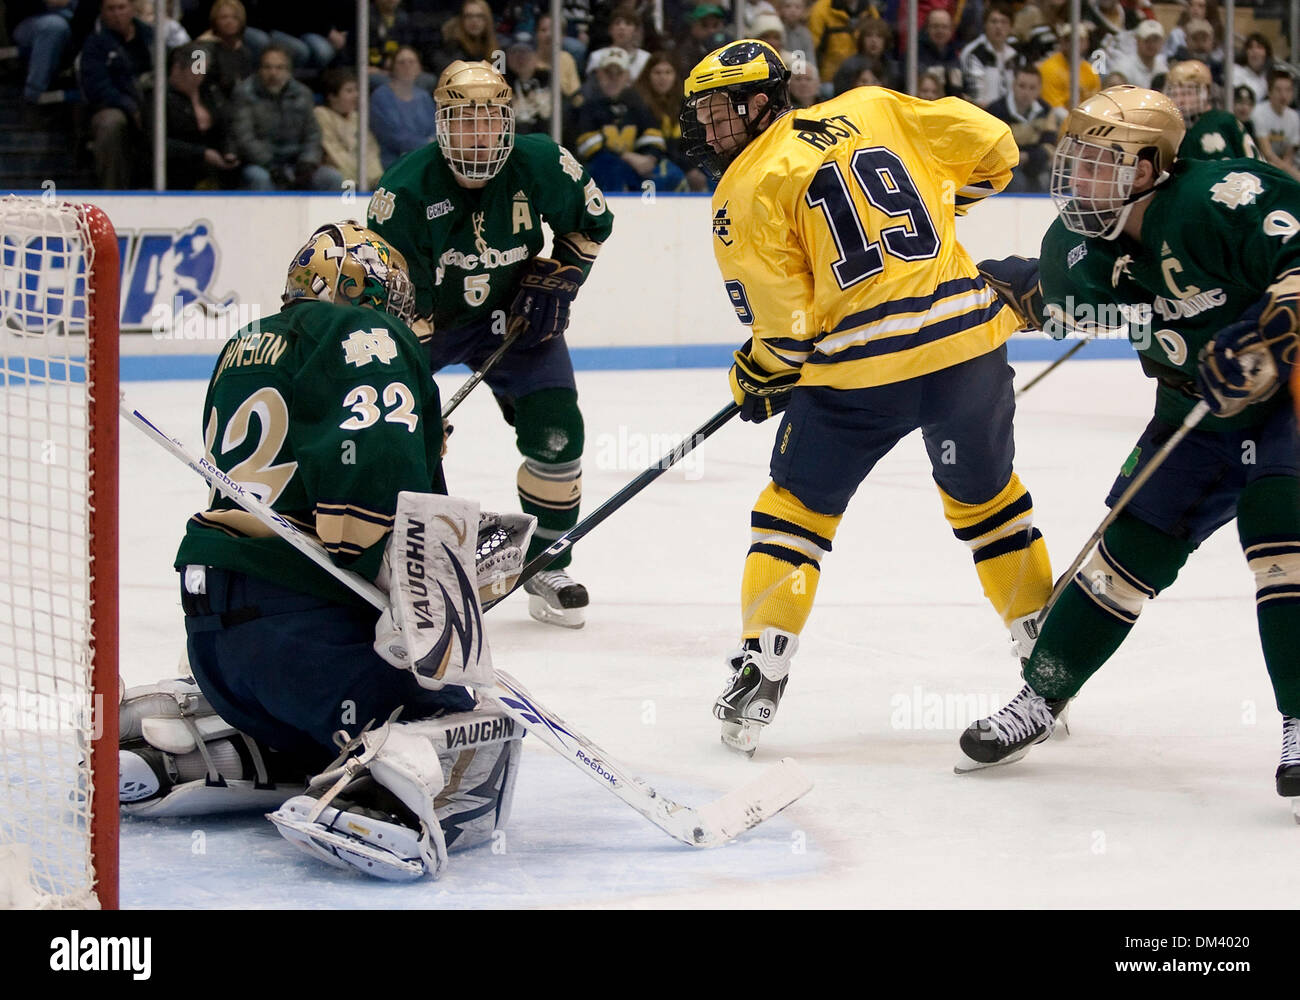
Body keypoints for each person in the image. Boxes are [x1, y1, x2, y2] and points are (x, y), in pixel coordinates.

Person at [118, 222, 531, 880]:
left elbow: (296, 471)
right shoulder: (370, 336)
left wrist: (414, 438)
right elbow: (355, 528)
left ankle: (188, 745)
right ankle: (376, 797)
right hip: (306, 646)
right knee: (467, 711)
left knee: (310, 709)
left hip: (217, 646)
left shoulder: (247, 343)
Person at [679, 40, 1054, 756]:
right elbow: (997, 150)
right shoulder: (875, 104)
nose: (707, 127)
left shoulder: (743, 190)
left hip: (859, 375)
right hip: (965, 344)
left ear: (762, 101)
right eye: (701, 113)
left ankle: (763, 670)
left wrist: (755, 376)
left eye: (718, 111)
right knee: (989, 503)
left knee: (794, 513)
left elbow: (786, 336)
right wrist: (937, 213)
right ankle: (1045, 658)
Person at [960, 86, 1300, 807]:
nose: (1078, 179)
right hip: (1194, 411)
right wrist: (969, 296)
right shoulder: (1077, 249)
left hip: (1291, 403)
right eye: (1075, 161)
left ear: (1149, 169)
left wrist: (1274, 336)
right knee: (1121, 562)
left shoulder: (1218, 199)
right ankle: (1040, 698)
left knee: (1281, 541)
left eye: (1099, 164)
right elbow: (1051, 302)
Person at [366, 61, 615, 628]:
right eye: (463, 123)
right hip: (425, 323)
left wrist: (563, 277)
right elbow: (399, 309)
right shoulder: (404, 192)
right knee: (406, 439)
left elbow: (588, 226)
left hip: (514, 316)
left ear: (507, 123)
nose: (478, 137)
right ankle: (420, 564)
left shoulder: (541, 162)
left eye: (489, 122)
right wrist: (419, 406)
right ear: (441, 127)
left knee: (558, 433)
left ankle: (548, 561)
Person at [231, 44, 340, 191]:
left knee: (331, 178)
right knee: (259, 178)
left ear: (289, 71)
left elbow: (313, 134)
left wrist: (307, 163)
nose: (273, 73)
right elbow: (244, 138)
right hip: (260, 165)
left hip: (295, 163)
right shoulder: (245, 93)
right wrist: (271, 166)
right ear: (259, 70)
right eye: (267, 67)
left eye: (279, 68)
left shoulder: (302, 94)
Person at [78, 0, 153, 188]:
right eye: (111, 9)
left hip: (152, 102)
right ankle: (113, 191)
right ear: (102, 13)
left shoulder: (151, 38)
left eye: (121, 7)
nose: (117, 13)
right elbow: (97, 88)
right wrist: (130, 107)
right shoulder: (94, 44)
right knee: (111, 123)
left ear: (132, 9)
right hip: (114, 106)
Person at [146, 41, 240, 190]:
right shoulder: (158, 96)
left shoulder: (209, 91)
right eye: (195, 71)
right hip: (176, 168)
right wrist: (202, 153)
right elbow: (156, 141)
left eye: (202, 71)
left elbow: (226, 126)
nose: (199, 77)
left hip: (214, 165)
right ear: (177, 68)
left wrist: (229, 151)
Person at [1164, 59, 1259, 162]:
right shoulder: (1170, 130)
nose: (1180, 100)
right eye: (1174, 94)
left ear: (1206, 92)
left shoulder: (1225, 121)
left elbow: (1254, 162)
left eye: (1187, 93)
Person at [986, 63, 1056, 191]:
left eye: (1032, 88)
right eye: (1022, 86)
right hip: (1005, 168)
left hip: (1035, 164)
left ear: (1039, 89)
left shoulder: (1046, 111)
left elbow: (1049, 147)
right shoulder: (996, 110)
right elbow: (993, 150)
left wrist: (1027, 156)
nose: (1026, 92)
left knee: (1050, 177)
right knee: (1017, 180)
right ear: (1013, 85)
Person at [314, 67, 384, 188]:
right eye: (349, 91)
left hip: (364, 177)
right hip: (346, 178)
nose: (356, 95)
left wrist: (376, 177)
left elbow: (371, 149)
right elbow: (333, 152)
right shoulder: (321, 115)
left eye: (356, 90)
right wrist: (361, 177)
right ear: (332, 96)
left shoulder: (357, 117)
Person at [369, 45, 438, 168]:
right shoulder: (381, 96)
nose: (407, 66)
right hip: (394, 161)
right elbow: (390, 136)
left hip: (424, 158)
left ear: (419, 68)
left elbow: (435, 129)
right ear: (393, 68)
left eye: (411, 62)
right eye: (401, 62)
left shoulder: (423, 97)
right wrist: (427, 144)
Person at [960, 3, 1018, 108]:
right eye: (993, 21)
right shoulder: (973, 53)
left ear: (1011, 27)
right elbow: (975, 97)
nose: (998, 26)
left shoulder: (1016, 55)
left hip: (1010, 116)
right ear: (985, 24)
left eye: (1004, 22)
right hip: (982, 115)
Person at [1252, 69, 1300, 182]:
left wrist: (1286, 170)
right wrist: (1292, 173)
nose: (1283, 95)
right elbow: (1267, 153)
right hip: (1261, 164)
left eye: (1288, 90)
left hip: (1282, 166)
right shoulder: (1259, 112)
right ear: (1269, 92)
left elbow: (1289, 154)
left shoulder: (1294, 116)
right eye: (1278, 90)